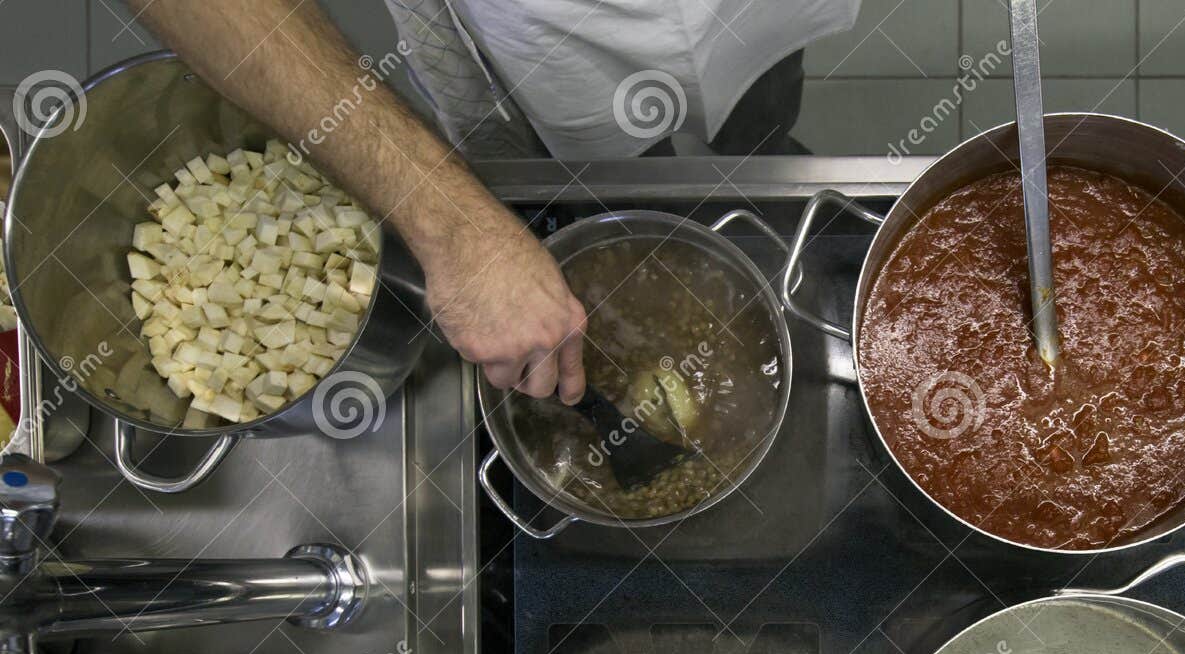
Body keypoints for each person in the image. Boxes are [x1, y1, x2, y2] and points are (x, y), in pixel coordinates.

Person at [138, 0, 859, 403]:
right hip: (547, 23)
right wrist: (456, 229)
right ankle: (635, 220)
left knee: (760, 100)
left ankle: (753, 156)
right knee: (593, 153)